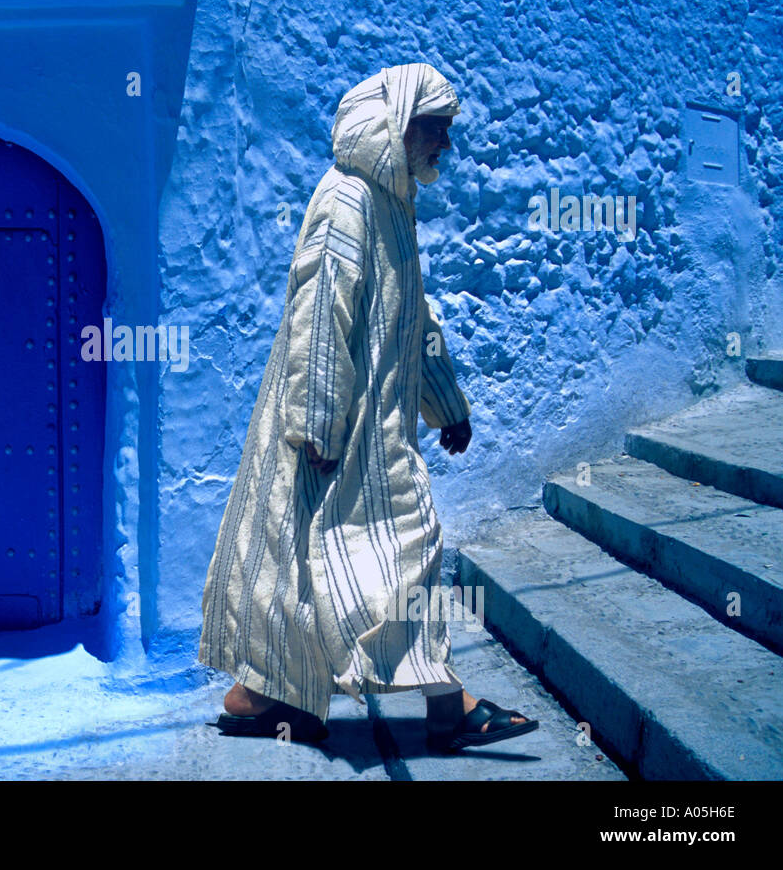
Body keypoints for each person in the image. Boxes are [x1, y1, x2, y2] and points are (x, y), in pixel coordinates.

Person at [198, 62, 537, 752]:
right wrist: (318, 422)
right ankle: (444, 705)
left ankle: (263, 698)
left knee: (306, 567)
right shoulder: (346, 199)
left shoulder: (393, 204)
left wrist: (446, 403)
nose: (446, 142)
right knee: (396, 548)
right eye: (436, 127)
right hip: (339, 429)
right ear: (398, 124)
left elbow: (415, 315)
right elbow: (319, 315)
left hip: (377, 424)